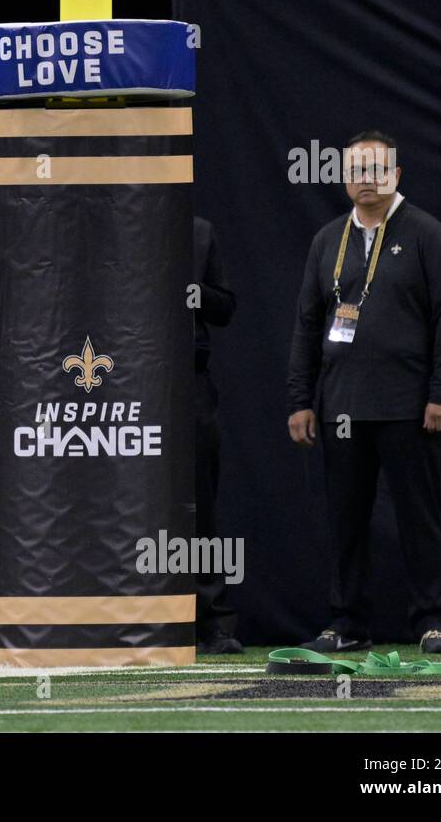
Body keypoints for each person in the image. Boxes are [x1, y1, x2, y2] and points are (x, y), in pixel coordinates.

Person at [286, 131, 441, 655]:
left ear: (396, 175)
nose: (366, 179)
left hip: (411, 406)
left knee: (418, 517)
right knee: (346, 520)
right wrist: (300, 399)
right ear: (344, 177)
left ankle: (432, 621)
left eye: (377, 169)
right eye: (357, 170)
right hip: (341, 405)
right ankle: (346, 623)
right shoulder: (327, 240)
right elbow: (306, 325)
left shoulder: (427, 234)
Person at [192, 216, 241, 654]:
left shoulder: (200, 231)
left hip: (189, 381)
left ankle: (213, 622)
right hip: (123, 380)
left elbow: (225, 306)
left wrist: (196, 295)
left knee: (199, 500)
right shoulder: (114, 222)